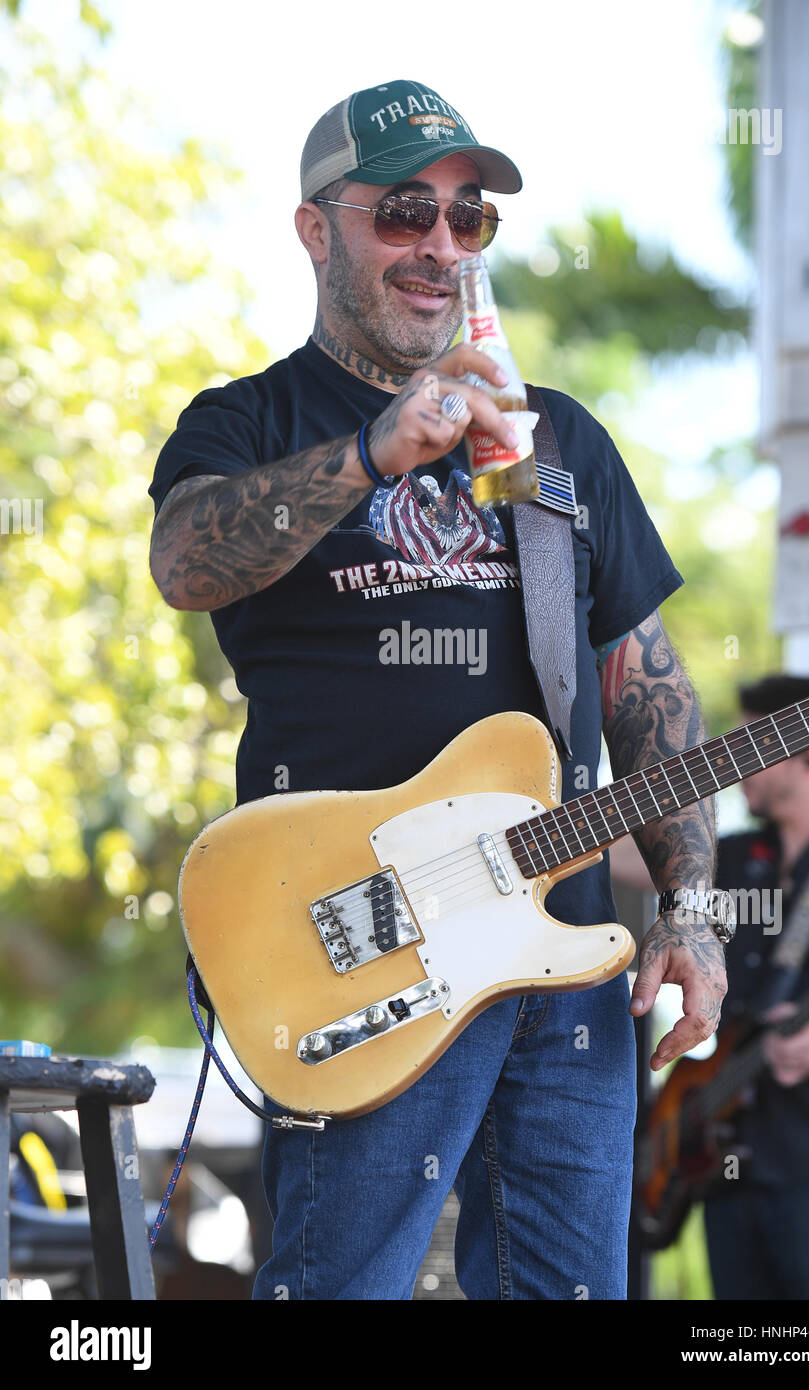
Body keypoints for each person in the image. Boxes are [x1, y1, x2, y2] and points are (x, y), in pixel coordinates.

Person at [148, 79, 724, 1301]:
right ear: (318, 228)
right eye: (405, 211)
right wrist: (373, 450)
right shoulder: (247, 420)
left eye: (470, 220)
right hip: (359, 943)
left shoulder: (557, 441)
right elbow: (185, 560)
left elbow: (646, 694)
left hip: (558, 958)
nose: (440, 247)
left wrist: (689, 906)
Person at [704, 674, 809, 1301]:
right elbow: (614, 859)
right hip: (726, 1172)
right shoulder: (738, 858)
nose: (732, 762)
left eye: (750, 747)